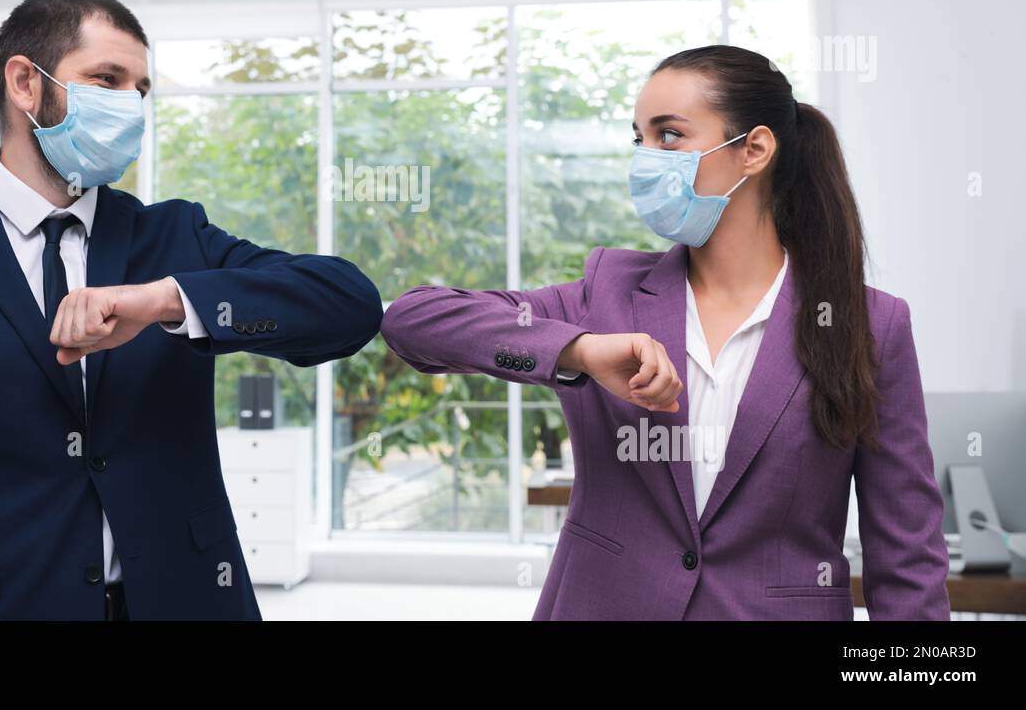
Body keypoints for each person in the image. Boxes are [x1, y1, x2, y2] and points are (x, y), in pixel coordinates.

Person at [0, 0, 383, 620]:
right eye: (107, 79)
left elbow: (348, 304)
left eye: (141, 89)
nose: (130, 105)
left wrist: (166, 299)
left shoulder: (175, 239)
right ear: (24, 82)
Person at [380, 45, 950, 620]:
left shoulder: (872, 325)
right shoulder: (604, 295)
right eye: (639, 139)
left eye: (669, 136)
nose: (645, 159)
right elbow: (414, 318)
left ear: (753, 149)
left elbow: (906, 556)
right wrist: (579, 349)